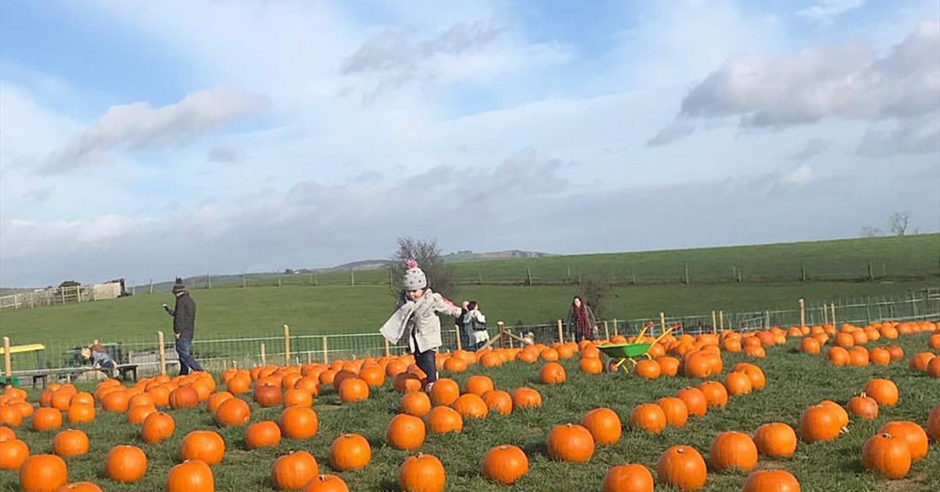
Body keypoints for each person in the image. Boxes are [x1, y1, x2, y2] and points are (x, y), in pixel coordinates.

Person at [379, 260, 462, 393]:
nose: (411, 294)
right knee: (419, 360)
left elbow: (446, 306)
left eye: (415, 291)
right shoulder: (404, 302)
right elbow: (398, 315)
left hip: (428, 335)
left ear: (423, 289)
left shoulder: (432, 299)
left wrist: (457, 312)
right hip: (414, 336)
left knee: (428, 358)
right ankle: (431, 376)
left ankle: (432, 382)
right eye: (408, 291)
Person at [163, 277, 204, 375]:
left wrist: (177, 332)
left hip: (183, 333)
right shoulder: (190, 301)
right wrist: (170, 311)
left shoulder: (180, 302)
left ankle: (200, 372)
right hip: (190, 331)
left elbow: (179, 318)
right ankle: (183, 375)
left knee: (183, 354)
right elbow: (183, 315)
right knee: (183, 356)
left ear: (176, 292)